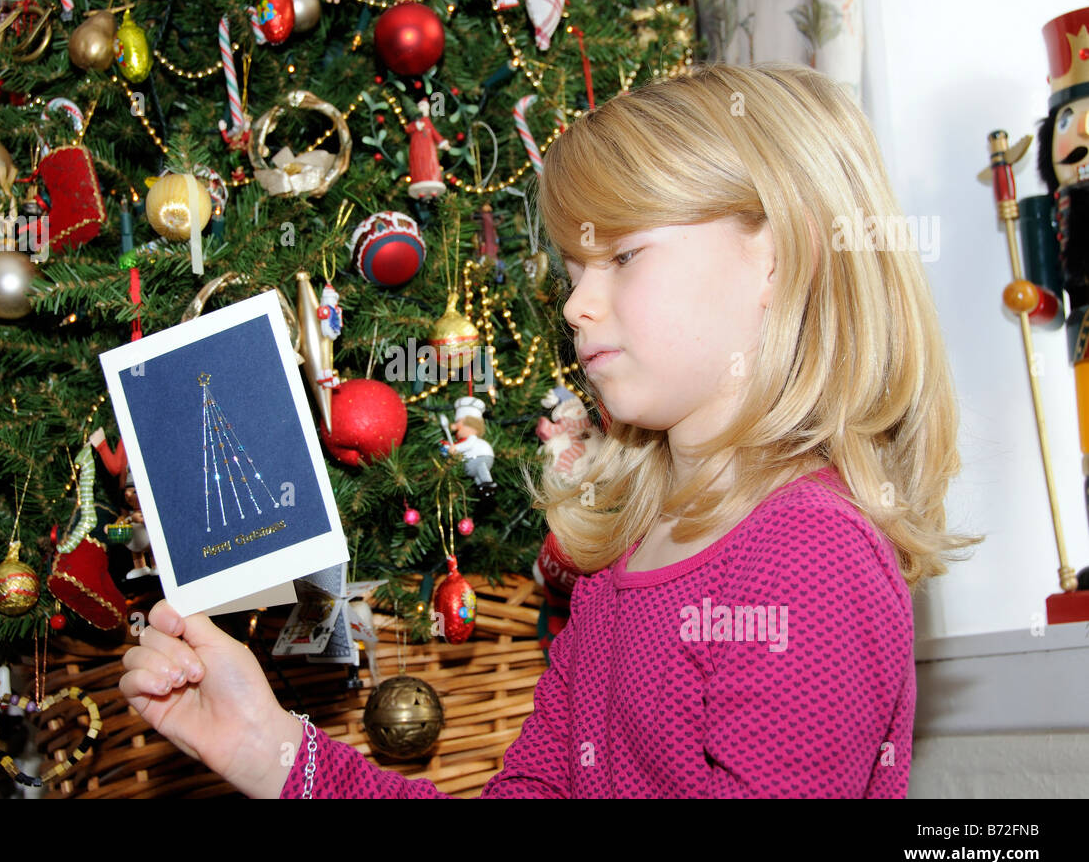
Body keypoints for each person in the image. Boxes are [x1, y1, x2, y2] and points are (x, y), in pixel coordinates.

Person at [120, 62, 984, 798]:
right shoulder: (623, 556)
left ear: (779, 256)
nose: (575, 302)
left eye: (623, 256)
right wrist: (273, 750)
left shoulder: (810, 560)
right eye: (573, 267)